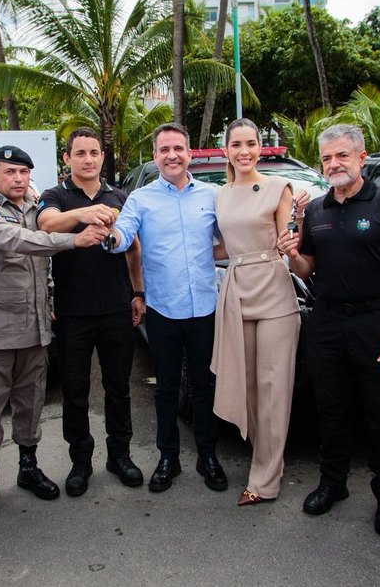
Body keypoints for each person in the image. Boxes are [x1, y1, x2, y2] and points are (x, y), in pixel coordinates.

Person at [276, 123, 380, 538]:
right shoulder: (316, 210)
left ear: (361, 158)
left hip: (376, 321)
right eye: (326, 158)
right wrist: (292, 256)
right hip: (327, 320)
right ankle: (332, 483)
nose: (333, 164)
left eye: (341, 156)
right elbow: (308, 268)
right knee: (331, 408)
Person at [0, 145, 108, 518]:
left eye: (23, 173)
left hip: (36, 328)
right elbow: (18, 241)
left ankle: (28, 469)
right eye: (9, 172)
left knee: (31, 405)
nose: (17, 179)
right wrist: (73, 240)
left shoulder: (36, 209)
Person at [107, 122, 228, 494]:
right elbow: (122, 236)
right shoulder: (141, 199)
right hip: (163, 309)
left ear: (189, 152)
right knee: (167, 389)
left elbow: (231, 240)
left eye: (178, 148)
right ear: (155, 156)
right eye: (164, 150)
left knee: (205, 386)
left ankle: (208, 456)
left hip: (205, 307)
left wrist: (201, 259)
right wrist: (108, 235)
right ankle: (168, 458)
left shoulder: (213, 195)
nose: (172, 155)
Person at [37, 127, 146, 496]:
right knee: (76, 390)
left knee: (119, 388)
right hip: (73, 313)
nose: (88, 159)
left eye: (94, 153)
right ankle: (80, 461)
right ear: (66, 158)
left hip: (116, 307)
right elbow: (46, 224)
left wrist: (137, 292)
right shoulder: (55, 195)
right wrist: (86, 212)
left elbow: (133, 247)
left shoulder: (119, 196)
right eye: (79, 153)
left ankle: (120, 455)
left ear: (102, 157)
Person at [210, 118, 300, 506]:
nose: (244, 151)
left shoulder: (280, 187)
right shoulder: (220, 194)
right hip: (236, 291)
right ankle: (261, 458)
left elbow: (288, 244)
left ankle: (265, 479)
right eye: (236, 144)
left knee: (273, 389)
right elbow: (221, 248)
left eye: (251, 143)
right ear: (225, 149)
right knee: (245, 385)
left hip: (274, 291)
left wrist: (295, 243)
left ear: (261, 147)